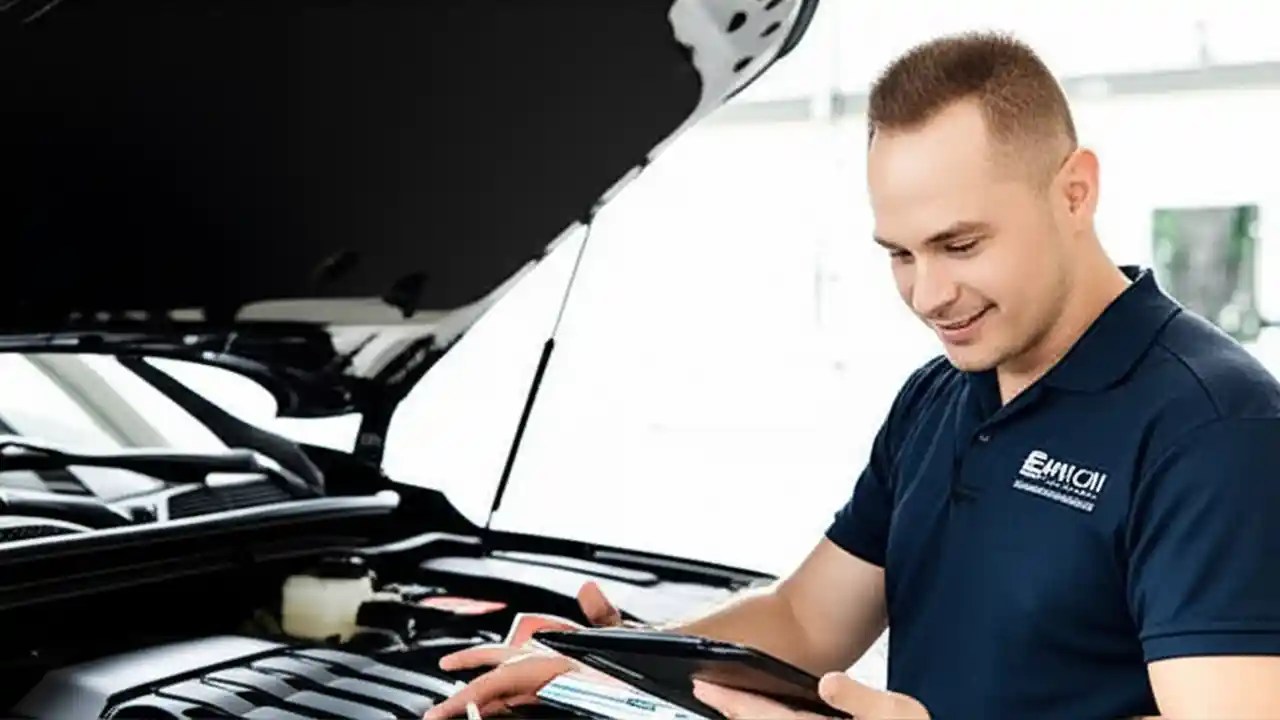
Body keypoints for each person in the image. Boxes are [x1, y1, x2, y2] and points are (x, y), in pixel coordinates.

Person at [426, 31, 1280, 720]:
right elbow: (806, 619)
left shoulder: (1214, 427)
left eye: (961, 244)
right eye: (900, 254)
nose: (930, 294)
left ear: (1074, 192)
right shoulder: (938, 396)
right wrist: (599, 660)